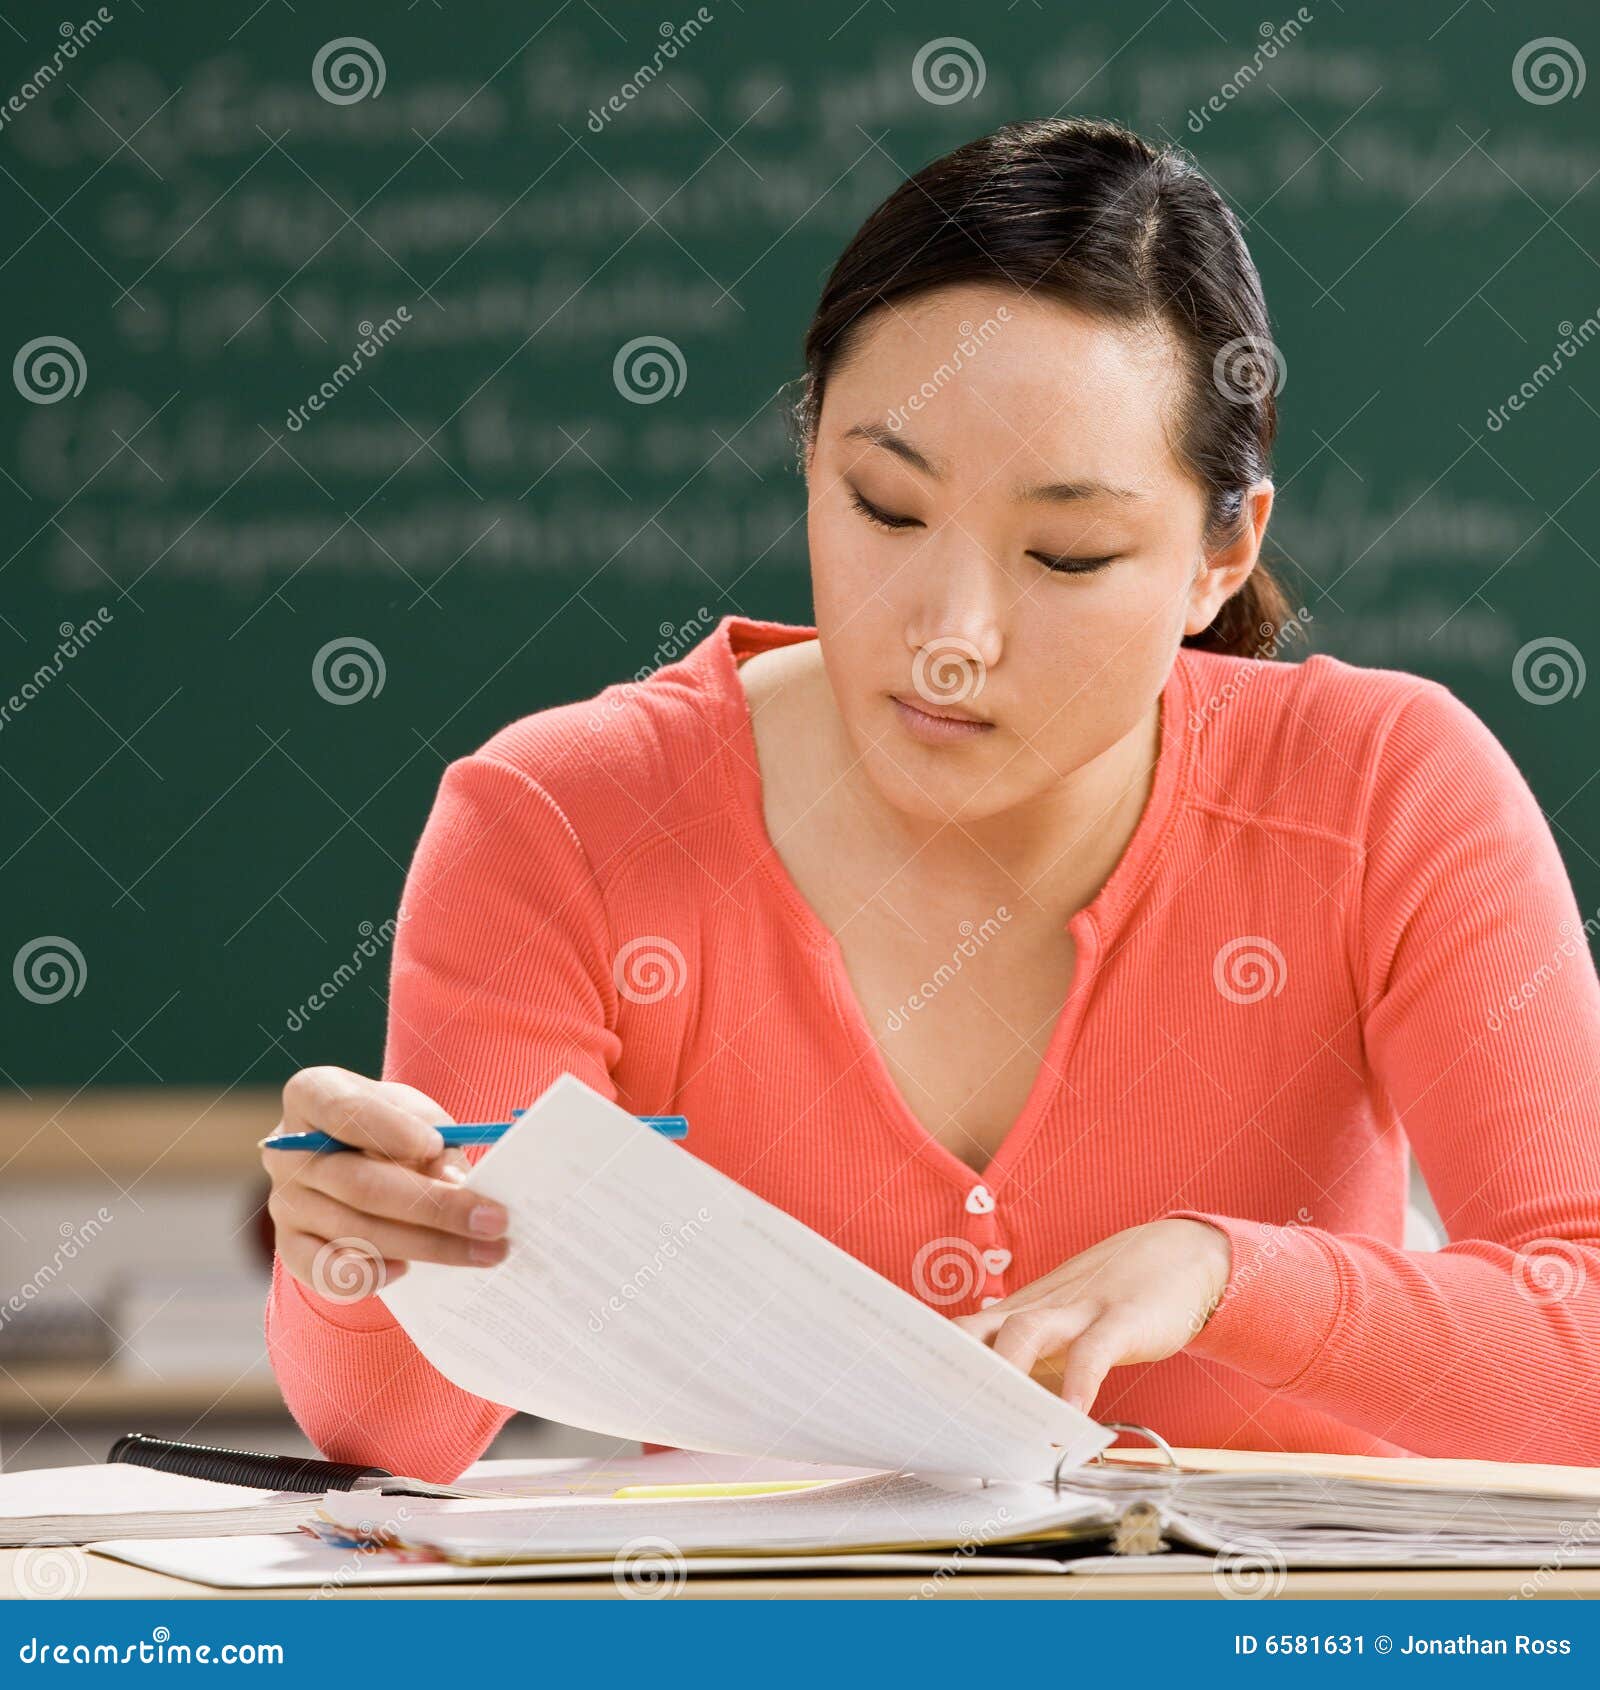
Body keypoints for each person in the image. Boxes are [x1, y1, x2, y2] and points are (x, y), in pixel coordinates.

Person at [262, 116, 1600, 1484]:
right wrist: (355, 1254)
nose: (952, 632)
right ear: (809, 457)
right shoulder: (562, 818)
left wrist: (1225, 1272)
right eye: (886, 508)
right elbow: (398, 1437)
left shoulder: (1382, 791)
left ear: (1222, 554)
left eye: (1068, 554)